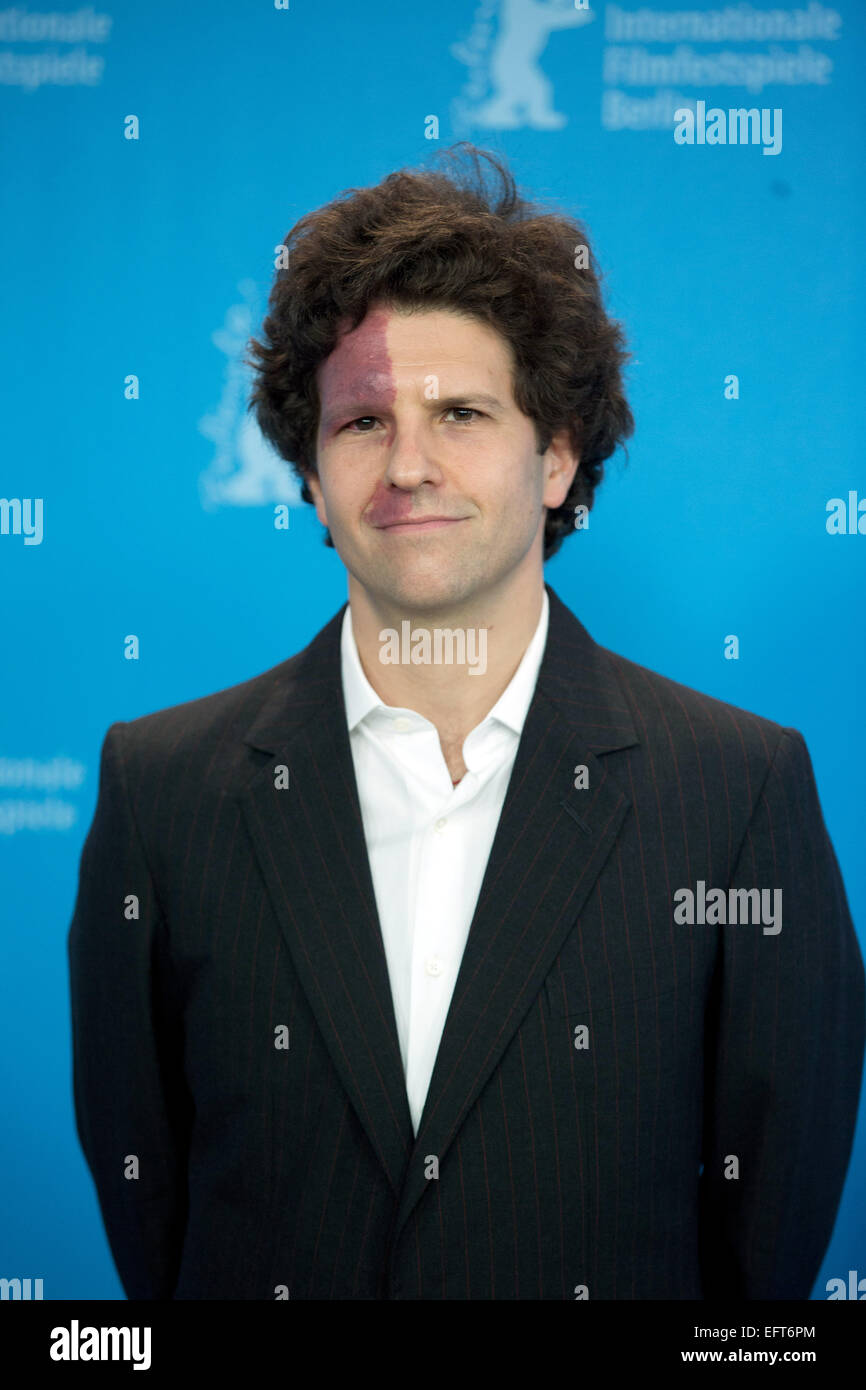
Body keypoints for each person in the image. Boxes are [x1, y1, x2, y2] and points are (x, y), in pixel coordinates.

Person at [68, 145, 865, 1300]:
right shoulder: (162, 786)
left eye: (460, 412)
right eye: (358, 425)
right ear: (309, 470)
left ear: (555, 457)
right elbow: (155, 1201)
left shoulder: (735, 789)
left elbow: (770, 1223)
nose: (406, 465)